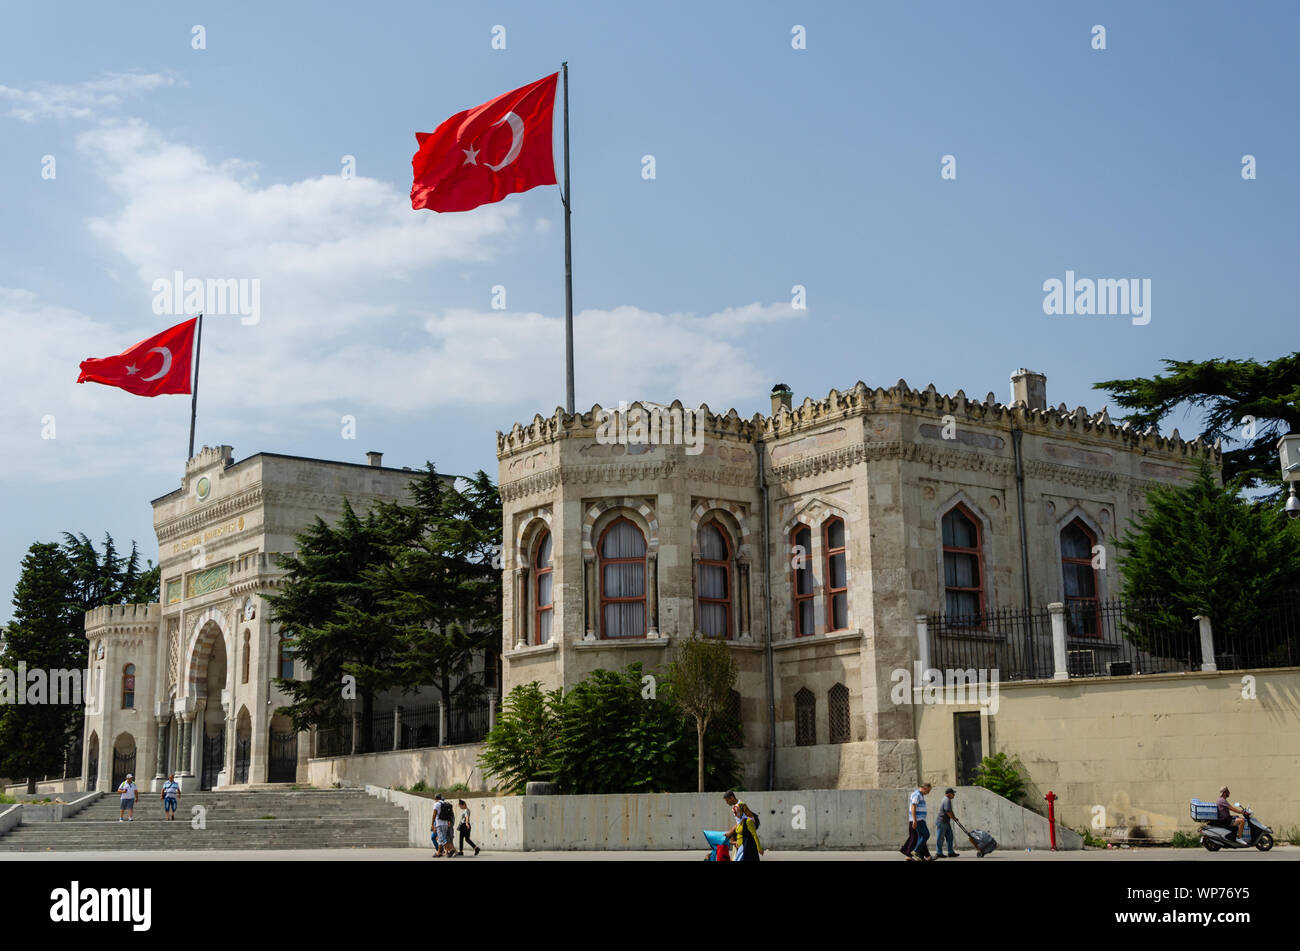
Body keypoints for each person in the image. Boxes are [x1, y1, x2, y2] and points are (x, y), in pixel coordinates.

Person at [900, 782, 932, 861]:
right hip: (918, 820)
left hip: (920, 819)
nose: (928, 793)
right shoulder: (917, 794)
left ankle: (921, 856)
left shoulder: (920, 795)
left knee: (920, 837)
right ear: (924, 788)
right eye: (928, 790)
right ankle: (916, 851)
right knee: (926, 835)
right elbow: (913, 807)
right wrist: (914, 820)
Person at [934, 788, 959, 858]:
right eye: (953, 793)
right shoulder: (946, 800)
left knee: (950, 837)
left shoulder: (947, 800)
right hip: (942, 822)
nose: (954, 795)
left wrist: (954, 817)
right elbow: (948, 811)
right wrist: (953, 818)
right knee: (940, 838)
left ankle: (950, 852)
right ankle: (939, 853)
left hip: (946, 822)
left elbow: (950, 811)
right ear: (949, 794)